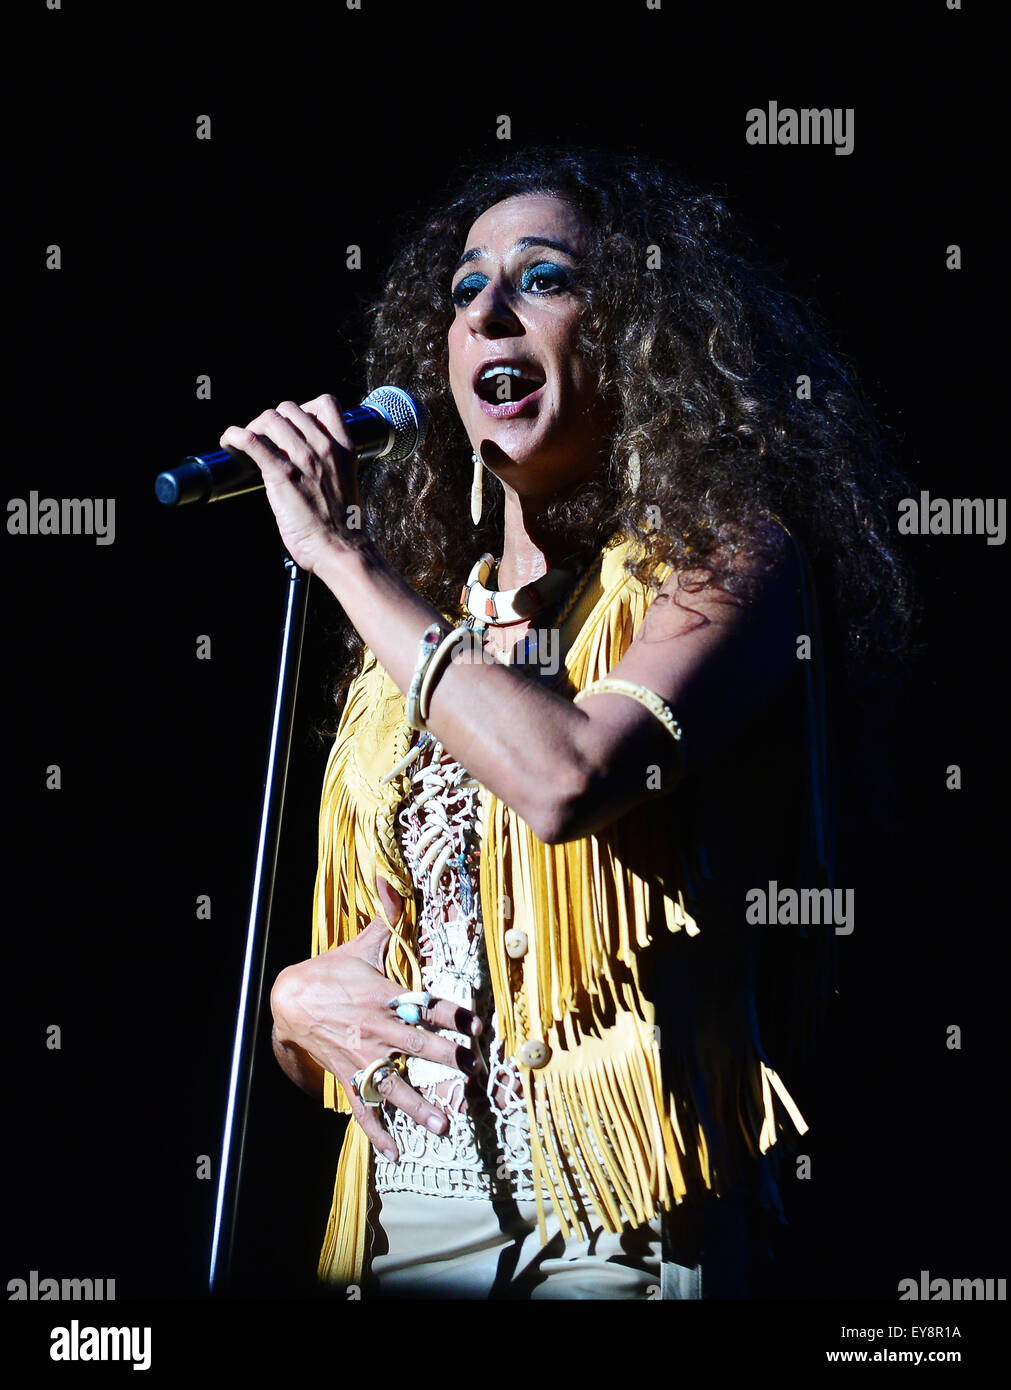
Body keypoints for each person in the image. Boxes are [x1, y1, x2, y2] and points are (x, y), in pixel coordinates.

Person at [219, 148, 912, 1299]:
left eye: (542, 278)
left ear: (640, 337)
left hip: (616, 1222)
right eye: (463, 290)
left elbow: (567, 777)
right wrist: (296, 1012)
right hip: (404, 1222)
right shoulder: (408, 651)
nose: (489, 309)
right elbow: (374, 981)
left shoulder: (723, 567)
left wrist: (341, 555)